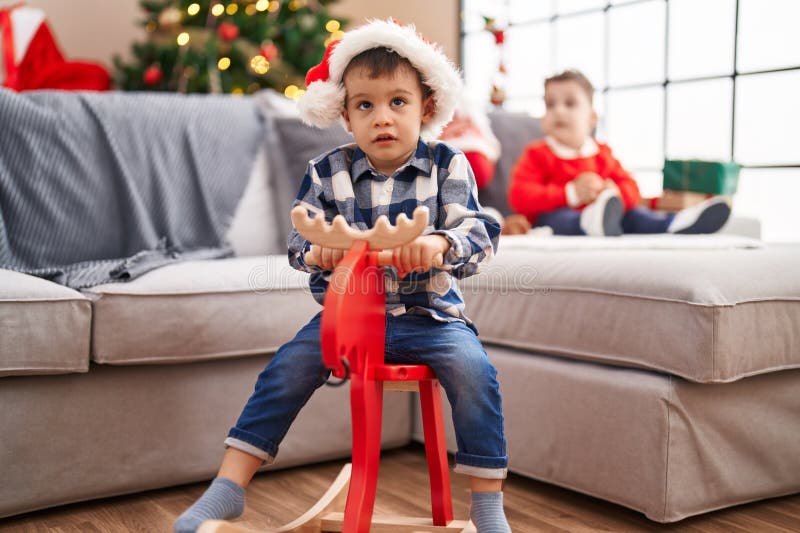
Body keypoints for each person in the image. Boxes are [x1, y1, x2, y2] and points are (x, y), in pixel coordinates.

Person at [174, 19, 510, 533]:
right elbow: (297, 242)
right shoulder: (326, 171)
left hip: (432, 319)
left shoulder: (449, 166)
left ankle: (487, 507)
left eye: (398, 102)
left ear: (427, 106)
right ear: (346, 116)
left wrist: (438, 243)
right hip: (351, 320)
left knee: (474, 372)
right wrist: (319, 254)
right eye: (365, 105)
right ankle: (228, 487)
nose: (383, 117)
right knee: (285, 368)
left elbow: (480, 231)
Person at [507, 69, 731, 236]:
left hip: (610, 217)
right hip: (558, 218)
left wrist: (613, 192)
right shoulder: (537, 153)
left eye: (569, 103)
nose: (558, 111)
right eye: (550, 104)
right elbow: (519, 196)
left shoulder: (601, 154)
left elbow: (631, 188)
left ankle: (676, 223)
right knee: (560, 218)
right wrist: (570, 194)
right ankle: (587, 224)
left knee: (636, 216)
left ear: (592, 119)